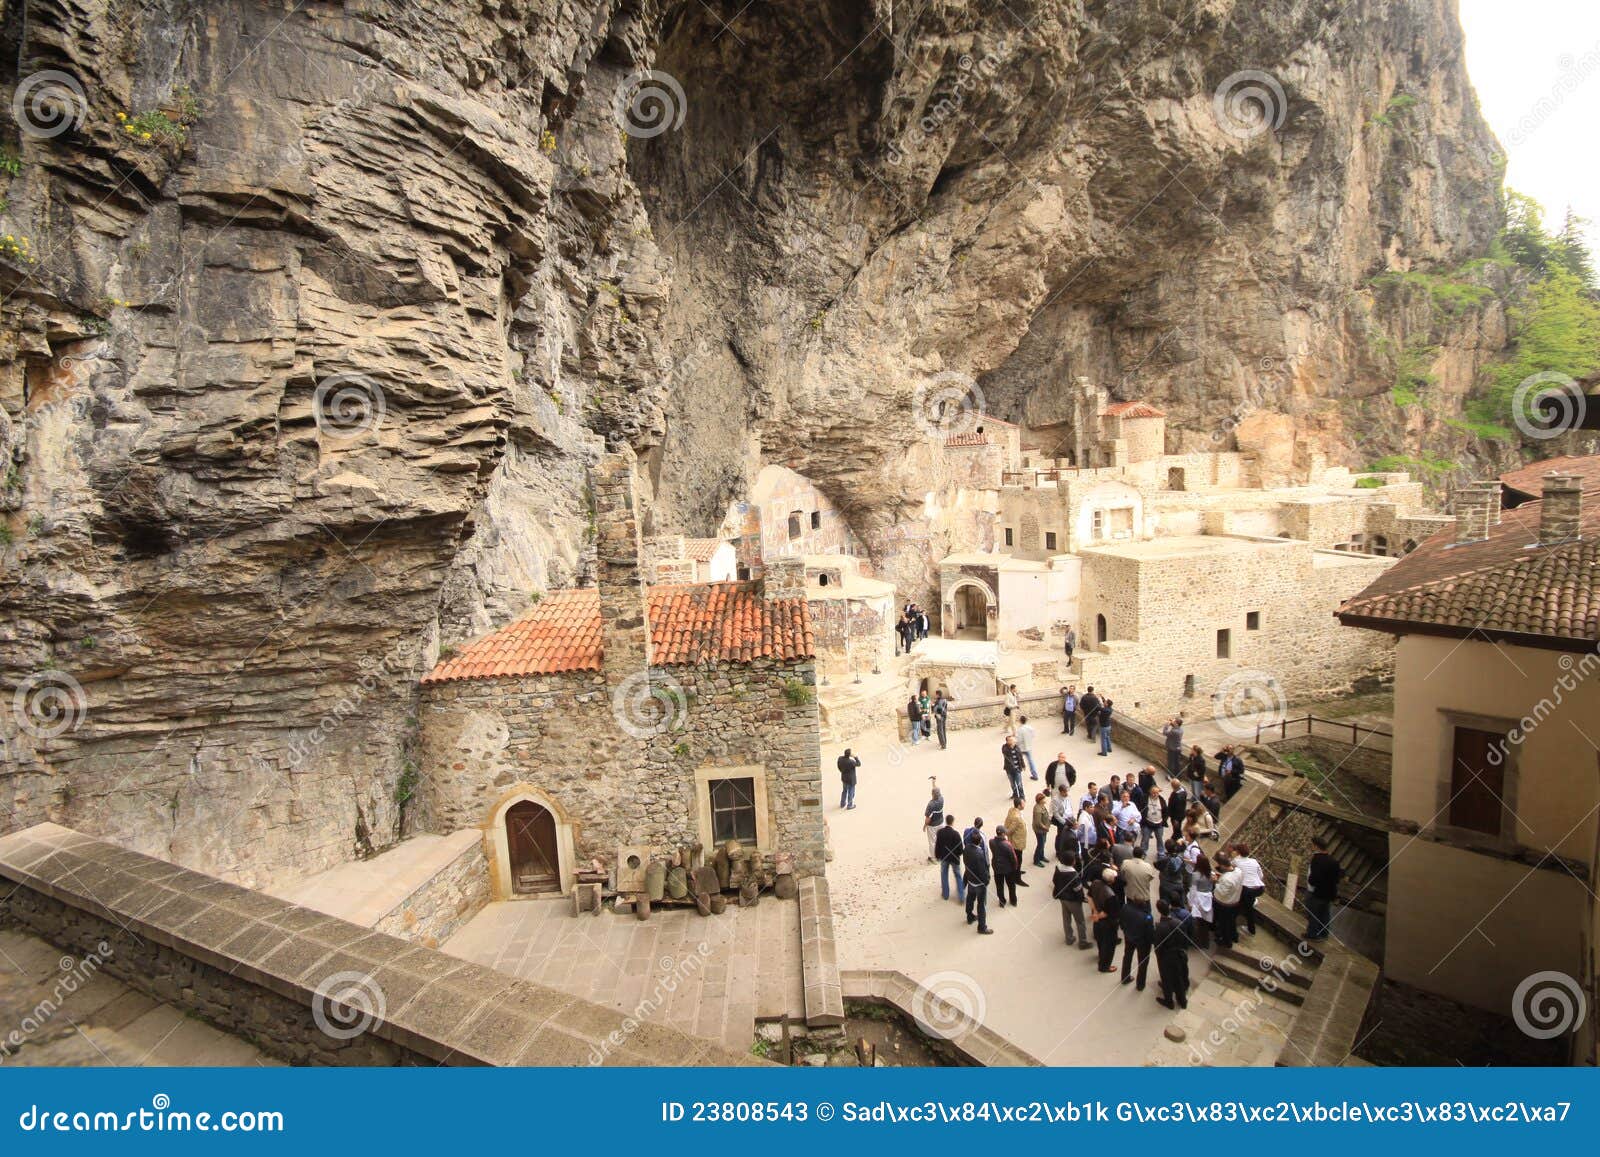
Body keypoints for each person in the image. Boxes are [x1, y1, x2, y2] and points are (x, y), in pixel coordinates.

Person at [1153, 899, 1191, 1009]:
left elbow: (1158, 945)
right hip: (1179, 953)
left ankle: (1169, 1001)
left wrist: (1159, 956)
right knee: (1178, 977)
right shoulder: (1178, 922)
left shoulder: (1160, 927)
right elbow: (1185, 939)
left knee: (1166, 978)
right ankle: (1182, 1000)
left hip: (1167, 956)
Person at [1306, 834, 1342, 941]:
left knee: (1313, 913)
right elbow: (1336, 879)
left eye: (1312, 845)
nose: (1311, 847)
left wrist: (1311, 882)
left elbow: (1314, 877)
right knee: (1325, 914)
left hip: (1316, 892)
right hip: (1328, 893)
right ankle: (1324, 934)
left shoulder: (1317, 859)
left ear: (1316, 846)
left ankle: (1313, 934)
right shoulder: (1334, 861)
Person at [1119, 889, 1155, 989]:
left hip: (1129, 937)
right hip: (1142, 942)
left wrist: (1124, 930)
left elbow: (1121, 920)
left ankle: (1125, 977)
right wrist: (1151, 942)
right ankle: (1140, 984)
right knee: (1143, 962)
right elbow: (1150, 933)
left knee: (1127, 956)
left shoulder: (1125, 908)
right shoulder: (1147, 917)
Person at [1052, 851, 1089, 948]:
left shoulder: (1058, 868)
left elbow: (1054, 880)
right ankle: (1083, 942)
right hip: (1073, 900)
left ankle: (1069, 938)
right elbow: (1078, 889)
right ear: (1072, 862)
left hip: (1062, 897)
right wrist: (1082, 899)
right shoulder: (1073, 875)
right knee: (1080, 921)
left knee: (1066, 918)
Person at [1088, 867, 1121, 973]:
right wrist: (1098, 915)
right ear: (1111, 880)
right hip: (1107, 923)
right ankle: (1104, 966)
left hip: (1097, 919)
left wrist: (1094, 911)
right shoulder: (1110, 895)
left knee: (1100, 940)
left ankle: (1101, 956)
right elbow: (1108, 912)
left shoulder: (1095, 883)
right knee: (1109, 945)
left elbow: (1089, 897)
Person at [963, 827, 994, 933]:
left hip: (970, 880)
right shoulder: (979, 854)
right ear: (979, 841)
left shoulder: (966, 848)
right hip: (979, 884)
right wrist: (986, 880)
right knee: (981, 905)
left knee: (970, 898)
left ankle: (969, 916)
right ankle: (982, 927)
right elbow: (983, 871)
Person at [1211, 852, 1244, 949]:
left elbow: (1221, 892)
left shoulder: (1227, 879)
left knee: (1224, 924)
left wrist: (1216, 882)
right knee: (1232, 921)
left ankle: (1226, 942)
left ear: (1222, 865)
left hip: (1225, 905)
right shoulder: (1238, 871)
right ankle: (1234, 936)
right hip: (1235, 902)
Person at [1233, 842, 1265, 936]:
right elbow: (1261, 876)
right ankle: (1252, 901)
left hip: (1247, 890)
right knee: (1248, 904)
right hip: (1259, 888)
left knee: (1247, 909)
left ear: (1238, 852)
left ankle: (1251, 930)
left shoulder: (1236, 861)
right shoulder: (1254, 861)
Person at [1186, 851, 1214, 950]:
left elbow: (1193, 890)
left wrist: (1190, 903)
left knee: (1196, 921)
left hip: (1198, 899)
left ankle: (1195, 942)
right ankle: (1205, 942)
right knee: (1204, 922)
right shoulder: (1210, 874)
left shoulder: (1196, 875)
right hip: (1207, 899)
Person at [935, 815, 965, 902]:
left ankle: (945, 895)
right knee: (958, 876)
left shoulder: (940, 832)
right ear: (952, 822)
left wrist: (937, 856)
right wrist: (958, 855)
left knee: (944, 875)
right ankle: (961, 896)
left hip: (944, 857)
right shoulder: (956, 834)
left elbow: (938, 845)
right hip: (954, 859)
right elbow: (960, 849)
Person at [990, 826, 1020, 907]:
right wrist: (1015, 867)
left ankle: (1002, 901)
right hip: (1008, 869)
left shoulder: (991, 842)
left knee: (999, 886)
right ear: (1003, 834)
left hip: (997, 868)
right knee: (1011, 885)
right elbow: (1013, 858)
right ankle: (1013, 900)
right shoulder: (1007, 845)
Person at [1120, 844, 1158, 910]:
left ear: (1133, 854)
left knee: (1131, 914)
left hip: (1130, 895)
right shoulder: (1147, 866)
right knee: (1146, 915)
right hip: (1143, 896)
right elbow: (1151, 877)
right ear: (1142, 855)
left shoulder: (1125, 863)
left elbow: (1122, 874)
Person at [1003, 803, 1030, 882]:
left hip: (1016, 840)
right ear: (1019, 805)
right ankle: (1017, 877)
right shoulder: (1016, 818)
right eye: (1023, 803)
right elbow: (1009, 831)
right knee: (1018, 859)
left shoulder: (1012, 810)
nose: (1024, 804)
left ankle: (1017, 871)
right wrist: (1007, 833)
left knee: (1017, 859)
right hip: (1016, 842)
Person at [1001, 736, 1026, 807]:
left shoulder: (1017, 747)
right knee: (1013, 784)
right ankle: (1015, 794)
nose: (1013, 741)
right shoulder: (1005, 748)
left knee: (1019, 784)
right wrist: (1010, 747)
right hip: (1009, 770)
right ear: (1007, 741)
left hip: (1017, 769)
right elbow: (1005, 752)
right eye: (1011, 740)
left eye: (1013, 740)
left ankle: (1022, 797)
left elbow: (1020, 757)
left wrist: (1023, 765)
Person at [1140, 785, 1166, 854]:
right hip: (1147, 823)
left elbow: (1165, 811)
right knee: (1145, 839)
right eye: (1153, 792)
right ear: (1150, 792)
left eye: (1157, 793)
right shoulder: (1145, 799)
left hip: (1159, 823)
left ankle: (1161, 852)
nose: (1155, 794)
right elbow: (1141, 809)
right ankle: (1143, 852)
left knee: (1160, 839)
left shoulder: (1161, 800)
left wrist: (1164, 820)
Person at [1031, 792, 1052, 868]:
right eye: (1043, 798)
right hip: (1040, 830)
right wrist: (1045, 827)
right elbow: (1038, 822)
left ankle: (1041, 856)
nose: (1045, 799)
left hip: (1044, 829)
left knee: (1043, 842)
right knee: (1040, 844)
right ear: (1040, 800)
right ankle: (1036, 860)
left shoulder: (1042, 806)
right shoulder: (1037, 809)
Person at [923, 785, 945, 860]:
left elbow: (928, 818)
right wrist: (934, 783)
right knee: (940, 839)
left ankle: (934, 858)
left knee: (932, 842)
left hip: (932, 826)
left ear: (932, 794)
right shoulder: (942, 799)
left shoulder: (931, 804)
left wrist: (925, 825)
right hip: (941, 823)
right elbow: (937, 792)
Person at [1015, 714, 1038, 779]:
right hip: (1028, 747)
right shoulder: (1030, 728)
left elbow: (1018, 740)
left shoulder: (1020, 730)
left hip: (1021, 748)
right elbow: (1033, 736)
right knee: (1031, 761)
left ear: (1020, 721)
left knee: (1017, 760)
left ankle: (1016, 773)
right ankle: (1035, 775)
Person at [1161, 716, 1184, 781]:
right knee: (1177, 763)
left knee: (1171, 763)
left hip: (1172, 749)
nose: (1173, 722)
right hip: (1178, 748)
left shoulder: (1174, 731)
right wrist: (1172, 722)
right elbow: (1174, 726)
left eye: (1174, 721)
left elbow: (1164, 733)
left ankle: (1170, 776)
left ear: (1176, 724)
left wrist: (1166, 725)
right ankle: (1178, 776)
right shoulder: (1180, 729)